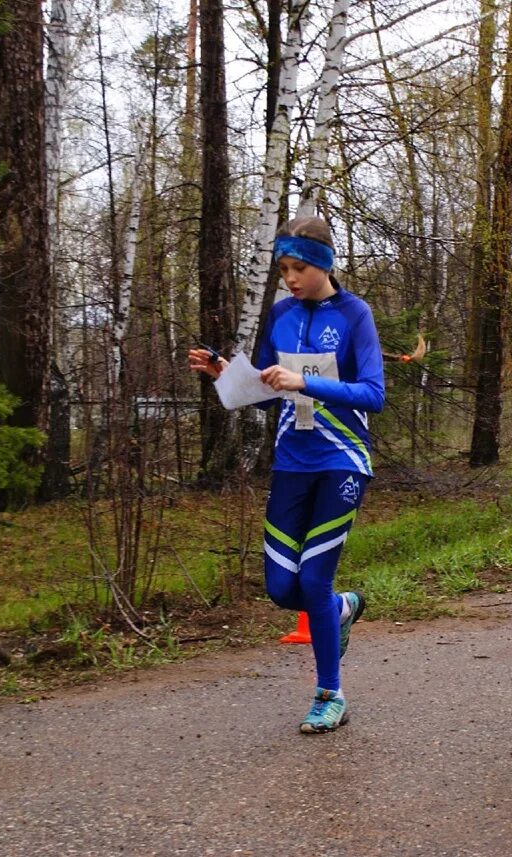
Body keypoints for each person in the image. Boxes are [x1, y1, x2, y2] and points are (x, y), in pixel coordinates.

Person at [188, 216, 385, 734]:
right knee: (282, 588)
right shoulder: (279, 315)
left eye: (299, 267)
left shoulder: (354, 314)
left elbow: (374, 394)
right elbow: (263, 386)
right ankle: (342, 609)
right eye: (284, 269)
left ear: (323, 263)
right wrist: (225, 374)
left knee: (314, 579)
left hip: (342, 460)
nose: (291, 277)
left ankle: (329, 694)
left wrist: (309, 381)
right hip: (291, 462)